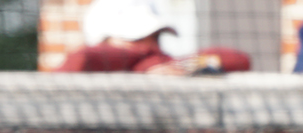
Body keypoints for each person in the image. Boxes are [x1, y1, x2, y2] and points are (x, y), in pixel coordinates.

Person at [56, 0, 251, 74]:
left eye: (154, 37)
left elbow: (239, 60)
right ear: (103, 41)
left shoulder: (168, 65)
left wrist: (186, 66)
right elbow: (82, 59)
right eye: (136, 39)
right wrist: (145, 64)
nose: (149, 47)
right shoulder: (84, 66)